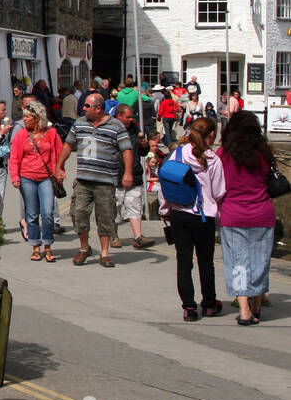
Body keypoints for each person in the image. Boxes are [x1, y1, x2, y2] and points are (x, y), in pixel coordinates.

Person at [55, 93, 135, 267]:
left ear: (99, 109)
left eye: (87, 106)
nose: (83, 108)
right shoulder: (80, 123)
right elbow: (68, 144)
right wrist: (59, 166)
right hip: (84, 179)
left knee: (105, 217)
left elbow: (127, 150)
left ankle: (105, 253)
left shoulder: (116, 126)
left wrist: (128, 172)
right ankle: (84, 248)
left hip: (105, 181)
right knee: (78, 213)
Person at [159, 117, 225, 322]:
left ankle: (189, 307)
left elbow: (165, 183)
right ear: (212, 134)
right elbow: (219, 191)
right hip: (203, 216)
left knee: (184, 262)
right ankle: (209, 304)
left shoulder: (177, 154)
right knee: (206, 262)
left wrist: (165, 209)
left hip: (179, 214)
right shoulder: (213, 159)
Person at [216, 111, 276, 326]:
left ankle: (244, 310)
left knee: (237, 263)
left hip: (233, 214)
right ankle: (257, 306)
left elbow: (217, 185)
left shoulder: (223, 154)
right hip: (263, 213)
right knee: (261, 262)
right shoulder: (265, 153)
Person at [10, 102, 64, 262]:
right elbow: (14, 158)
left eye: (27, 116)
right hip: (27, 177)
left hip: (46, 178)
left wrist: (60, 171)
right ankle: (35, 246)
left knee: (47, 213)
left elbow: (59, 154)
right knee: (32, 214)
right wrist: (15, 177)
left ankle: (47, 245)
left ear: (37, 118)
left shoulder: (52, 134)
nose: (24, 119)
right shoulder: (21, 135)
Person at [111, 104, 158, 250]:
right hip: (116, 174)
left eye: (132, 117)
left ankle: (138, 237)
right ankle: (114, 236)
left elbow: (143, 153)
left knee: (134, 206)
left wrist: (144, 146)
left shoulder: (135, 128)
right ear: (119, 116)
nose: (131, 119)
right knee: (115, 206)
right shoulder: (110, 128)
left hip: (135, 173)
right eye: (128, 117)